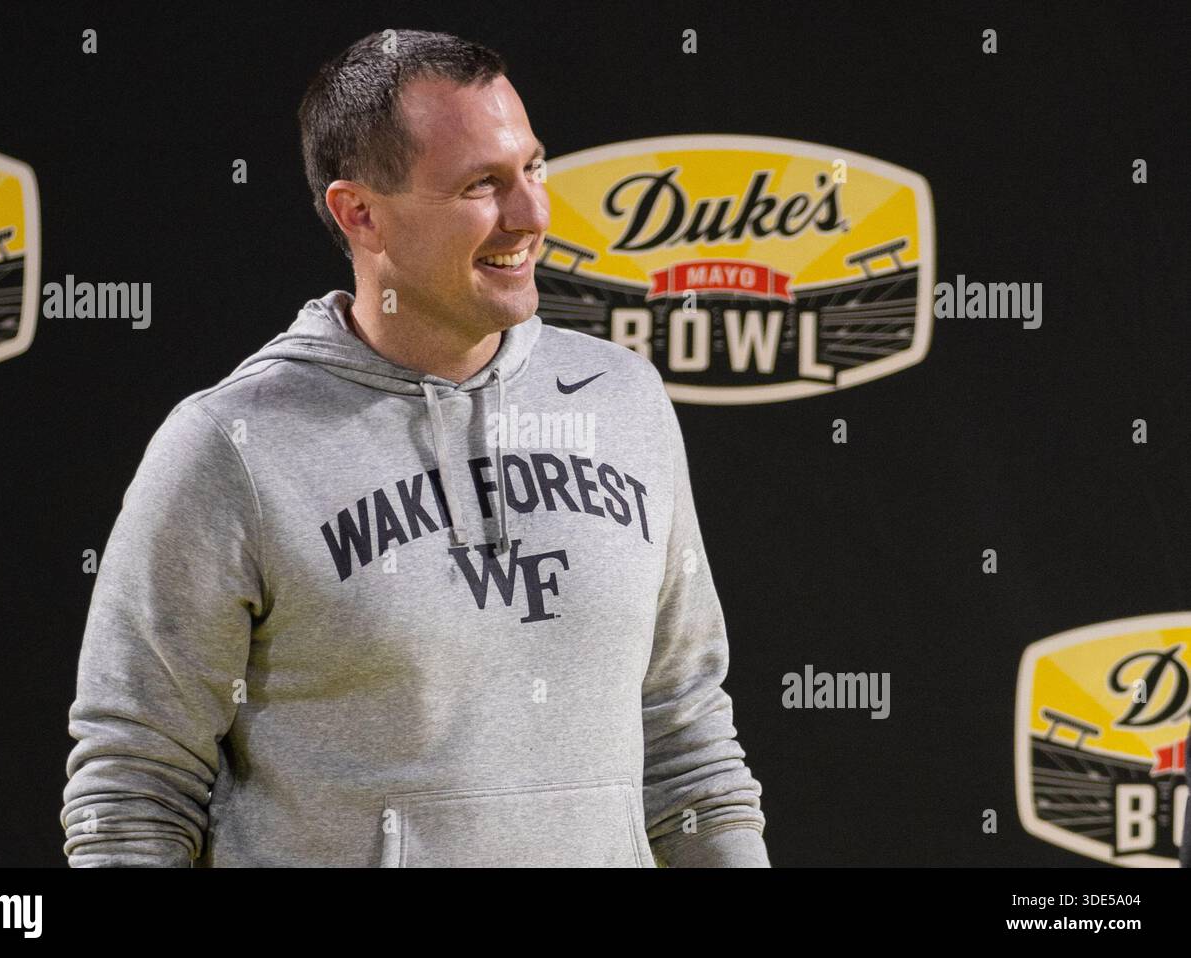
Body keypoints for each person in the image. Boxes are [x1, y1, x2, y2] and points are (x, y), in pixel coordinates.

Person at [59, 28, 770, 868]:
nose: (533, 215)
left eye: (534, 168)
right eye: (482, 185)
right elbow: (133, 790)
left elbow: (688, 744)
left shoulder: (624, 402)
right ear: (359, 212)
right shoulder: (231, 448)